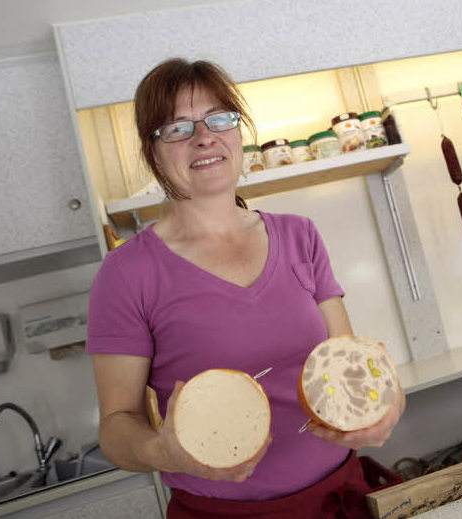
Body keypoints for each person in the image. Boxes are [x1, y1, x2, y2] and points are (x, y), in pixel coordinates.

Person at [86, 58, 405, 518]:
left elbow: (346, 363)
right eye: (177, 127)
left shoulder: (299, 236)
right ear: (152, 152)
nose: (204, 136)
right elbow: (117, 426)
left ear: (239, 132)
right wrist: (163, 452)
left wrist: (388, 404)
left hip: (340, 497)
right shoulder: (127, 272)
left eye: (219, 118)